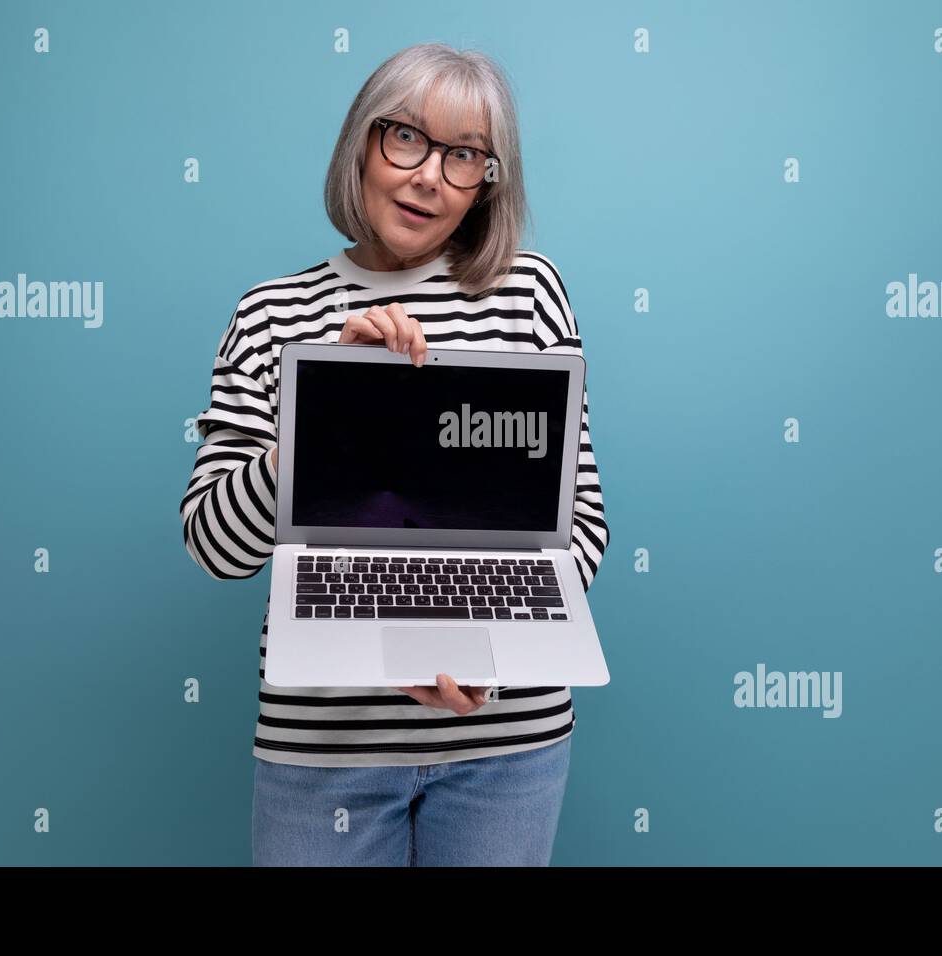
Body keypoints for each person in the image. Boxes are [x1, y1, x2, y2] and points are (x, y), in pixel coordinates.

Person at [179, 42, 608, 866]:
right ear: (362, 145)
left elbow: (578, 527)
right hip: (323, 745)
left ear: (488, 180)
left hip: (507, 741)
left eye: (463, 156)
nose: (430, 177)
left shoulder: (528, 292)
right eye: (406, 138)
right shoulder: (273, 314)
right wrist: (326, 407)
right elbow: (214, 548)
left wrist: (476, 643)